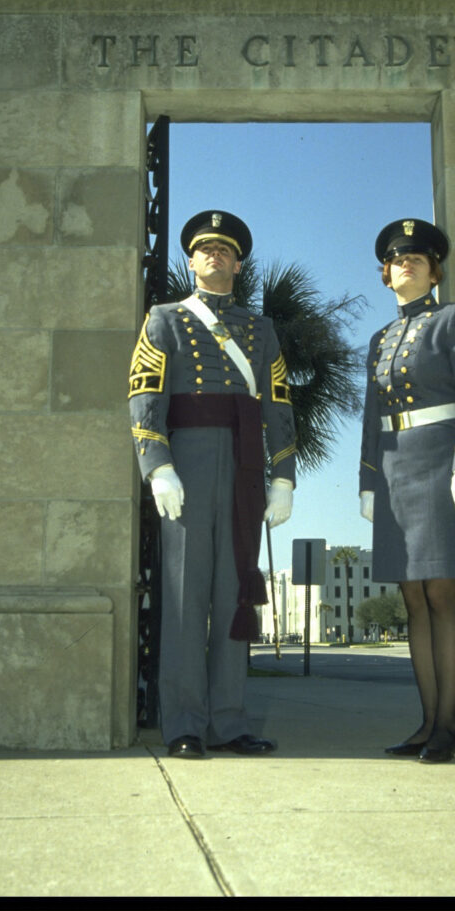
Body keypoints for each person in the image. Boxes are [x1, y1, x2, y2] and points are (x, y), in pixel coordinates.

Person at [128, 210, 297, 759]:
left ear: (239, 262)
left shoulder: (259, 327)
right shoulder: (165, 318)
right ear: (191, 260)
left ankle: (228, 721)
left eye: (224, 249)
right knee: (183, 594)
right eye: (204, 248)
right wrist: (158, 465)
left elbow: (278, 402)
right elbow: (144, 394)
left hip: (245, 465)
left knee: (233, 592)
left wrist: (284, 476)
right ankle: (182, 724)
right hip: (189, 463)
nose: (214, 255)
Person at [359, 218, 455, 762]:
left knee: (442, 591)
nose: (406, 263)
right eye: (397, 259)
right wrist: (369, 482)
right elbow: (372, 417)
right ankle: (424, 723)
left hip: (443, 464)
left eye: (418, 257)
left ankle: (448, 726)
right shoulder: (381, 338)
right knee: (412, 597)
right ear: (386, 273)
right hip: (395, 472)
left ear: (435, 270)